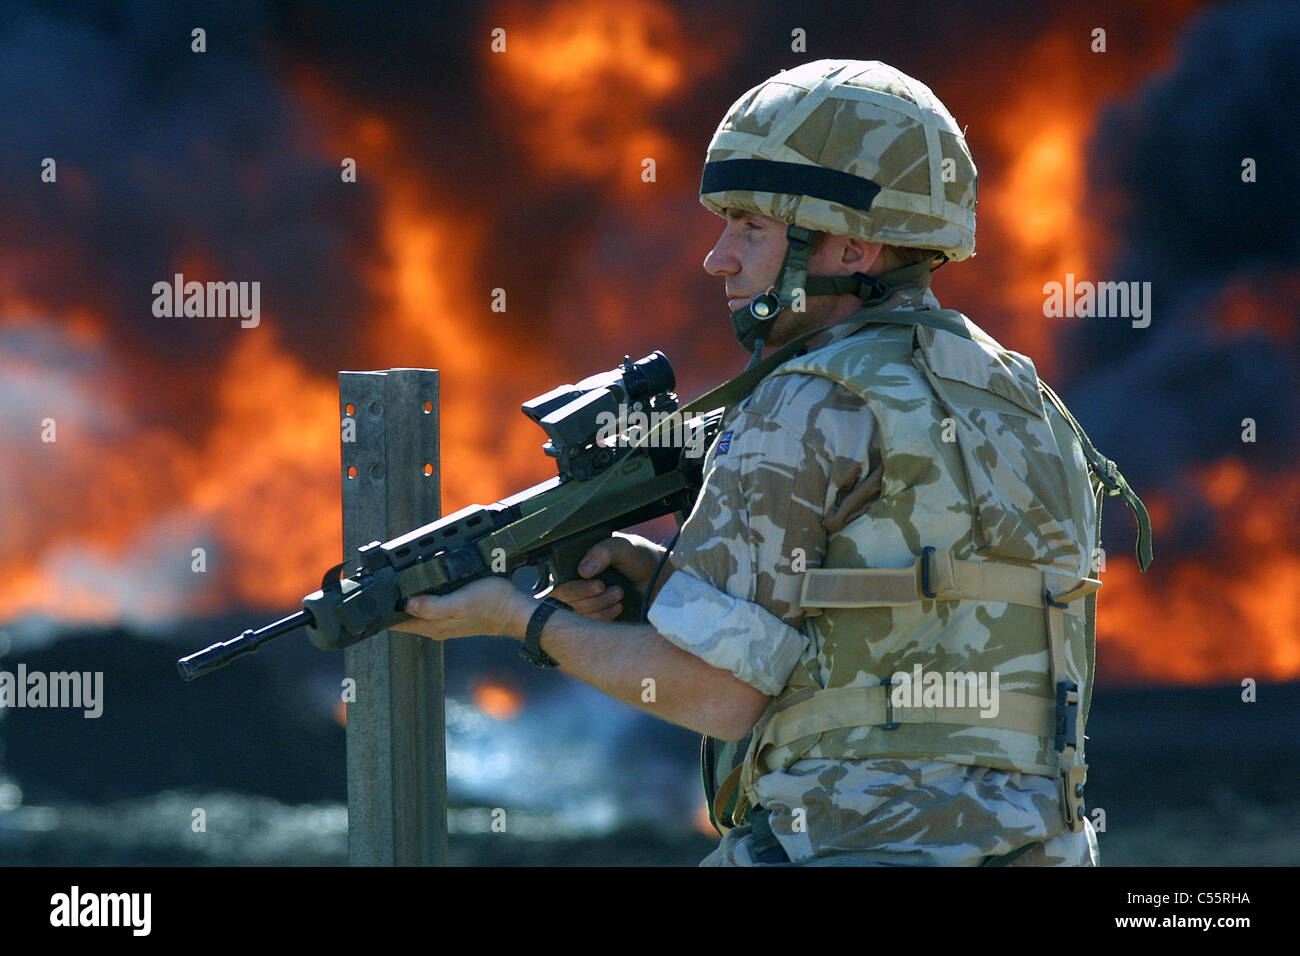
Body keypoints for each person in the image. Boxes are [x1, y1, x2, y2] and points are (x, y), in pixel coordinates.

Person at [394, 59, 1152, 866]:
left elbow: (717, 695)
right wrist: (661, 580)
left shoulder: (804, 402)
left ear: (853, 247)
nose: (718, 258)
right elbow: (916, 619)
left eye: (751, 226)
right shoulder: (1029, 400)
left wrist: (518, 619)